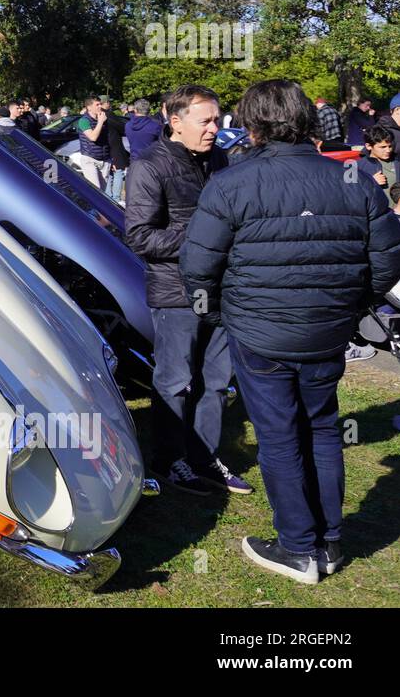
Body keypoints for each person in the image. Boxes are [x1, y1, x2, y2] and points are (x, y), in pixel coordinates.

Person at [180, 79, 400, 584]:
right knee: (320, 429)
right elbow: (387, 260)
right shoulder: (350, 179)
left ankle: (302, 548)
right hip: (300, 329)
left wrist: (230, 314)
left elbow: (198, 269)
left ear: (253, 125)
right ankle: (322, 542)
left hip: (272, 333)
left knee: (286, 436)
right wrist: (346, 306)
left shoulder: (240, 182)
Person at [125, 84, 251, 498]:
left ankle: (204, 457)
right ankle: (170, 459)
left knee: (216, 380)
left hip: (222, 289)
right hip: (176, 292)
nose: (215, 128)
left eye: (217, 119)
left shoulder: (221, 159)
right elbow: (141, 237)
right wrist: (202, 236)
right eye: (206, 121)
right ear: (174, 121)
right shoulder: (148, 166)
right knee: (176, 380)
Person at [70, 95, 112, 192]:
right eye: (97, 105)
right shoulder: (83, 121)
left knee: (103, 193)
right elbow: (93, 137)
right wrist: (100, 122)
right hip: (90, 159)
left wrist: (112, 158)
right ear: (89, 107)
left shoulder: (104, 119)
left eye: (100, 104)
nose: (100, 107)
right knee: (96, 190)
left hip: (105, 160)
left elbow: (109, 139)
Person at [359, 124, 398, 190]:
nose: (388, 150)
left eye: (390, 146)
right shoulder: (358, 167)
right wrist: (371, 182)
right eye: (383, 147)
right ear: (368, 146)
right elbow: (351, 194)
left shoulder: (398, 161)